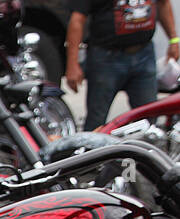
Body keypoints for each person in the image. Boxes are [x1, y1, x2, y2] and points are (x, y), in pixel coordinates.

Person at [66, 0, 180, 131]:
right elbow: (77, 19)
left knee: (149, 119)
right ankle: (91, 150)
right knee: (96, 122)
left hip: (144, 53)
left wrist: (173, 39)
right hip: (106, 58)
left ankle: (143, 150)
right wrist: (72, 64)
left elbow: (163, 3)